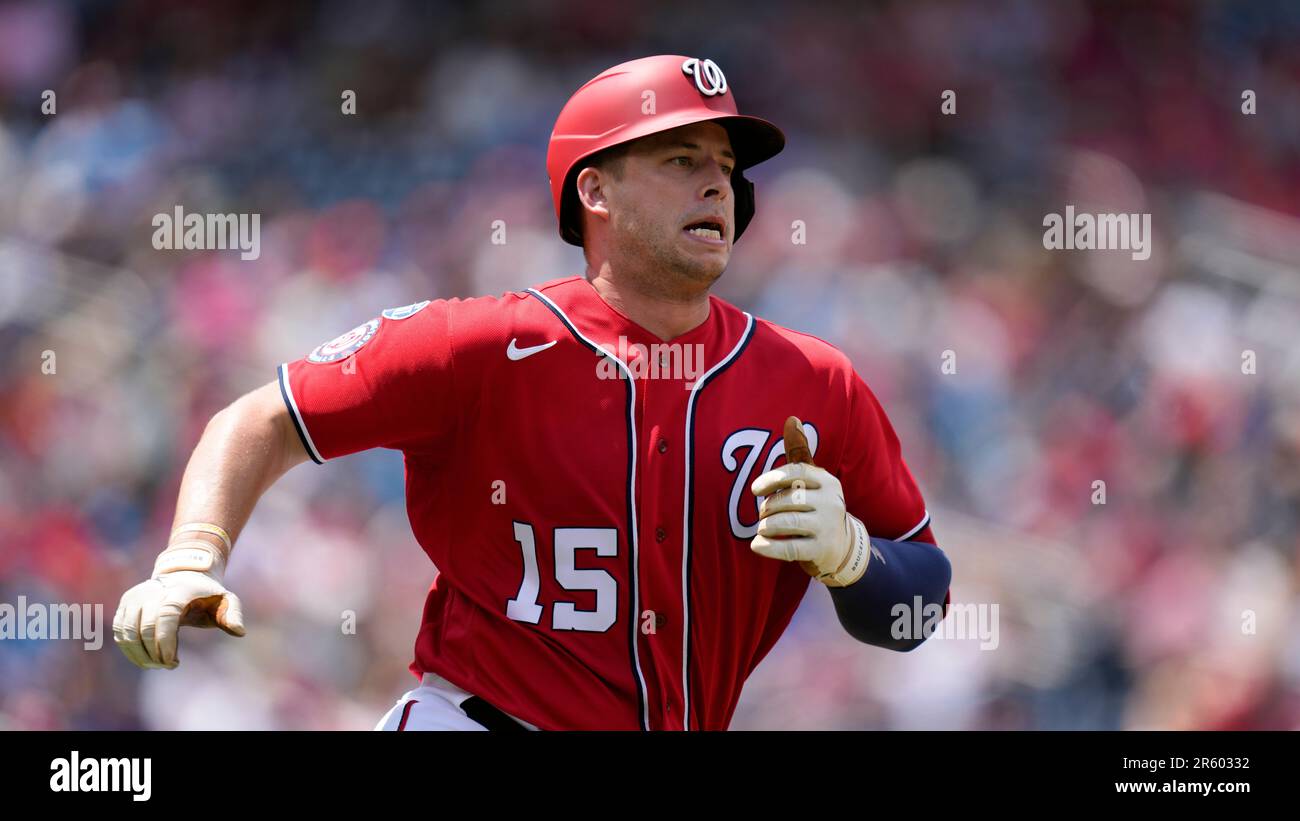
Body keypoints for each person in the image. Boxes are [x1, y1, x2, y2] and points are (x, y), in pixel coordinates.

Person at [113, 55, 952, 731]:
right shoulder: (482, 345)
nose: (717, 187)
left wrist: (853, 560)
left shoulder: (812, 382)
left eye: (726, 168)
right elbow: (260, 417)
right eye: (680, 159)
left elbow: (922, 606)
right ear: (594, 190)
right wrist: (191, 556)